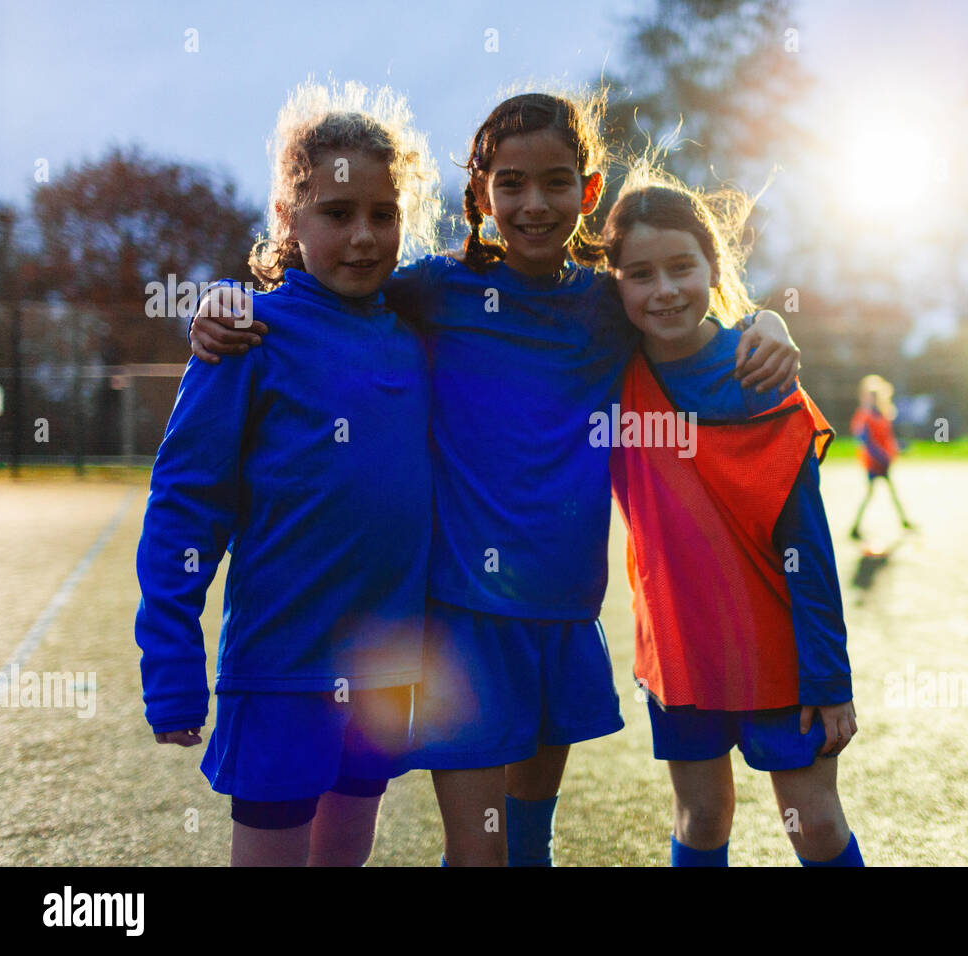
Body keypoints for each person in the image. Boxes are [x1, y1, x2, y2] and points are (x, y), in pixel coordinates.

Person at [188, 89, 802, 866]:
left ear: (589, 191)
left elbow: (686, 314)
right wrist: (219, 300)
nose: (533, 203)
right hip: (463, 623)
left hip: (564, 617)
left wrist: (767, 324)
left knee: (526, 844)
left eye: (554, 183)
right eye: (510, 183)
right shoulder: (434, 291)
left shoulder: (609, 306)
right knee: (479, 853)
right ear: (480, 193)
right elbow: (324, 292)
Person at [134, 81, 440, 866]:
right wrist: (171, 663)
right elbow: (184, 506)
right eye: (337, 214)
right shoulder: (247, 334)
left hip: (381, 674)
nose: (365, 237)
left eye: (384, 214)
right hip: (280, 673)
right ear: (288, 219)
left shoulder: (419, 330)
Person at [604, 168, 864, 866]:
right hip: (681, 654)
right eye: (640, 274)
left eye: (682, 267)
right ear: (617, 284)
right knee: (702, 818)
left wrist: (830, 678)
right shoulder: (607, 372)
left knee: (813, 825)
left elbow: (807, 546)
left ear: (714, 267)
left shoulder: (762, 376)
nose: (664, 290)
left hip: (778, 655)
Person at [849, 374, 914, 540]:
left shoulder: (884, 415)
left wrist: (898, 447)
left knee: (890, 493)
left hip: (884, 463)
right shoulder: (864, 417)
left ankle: (904, 521)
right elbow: (865, 441)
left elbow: (887, 439)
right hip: (873, 464)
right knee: (870, 494)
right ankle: (855, 527)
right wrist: (880, 456)